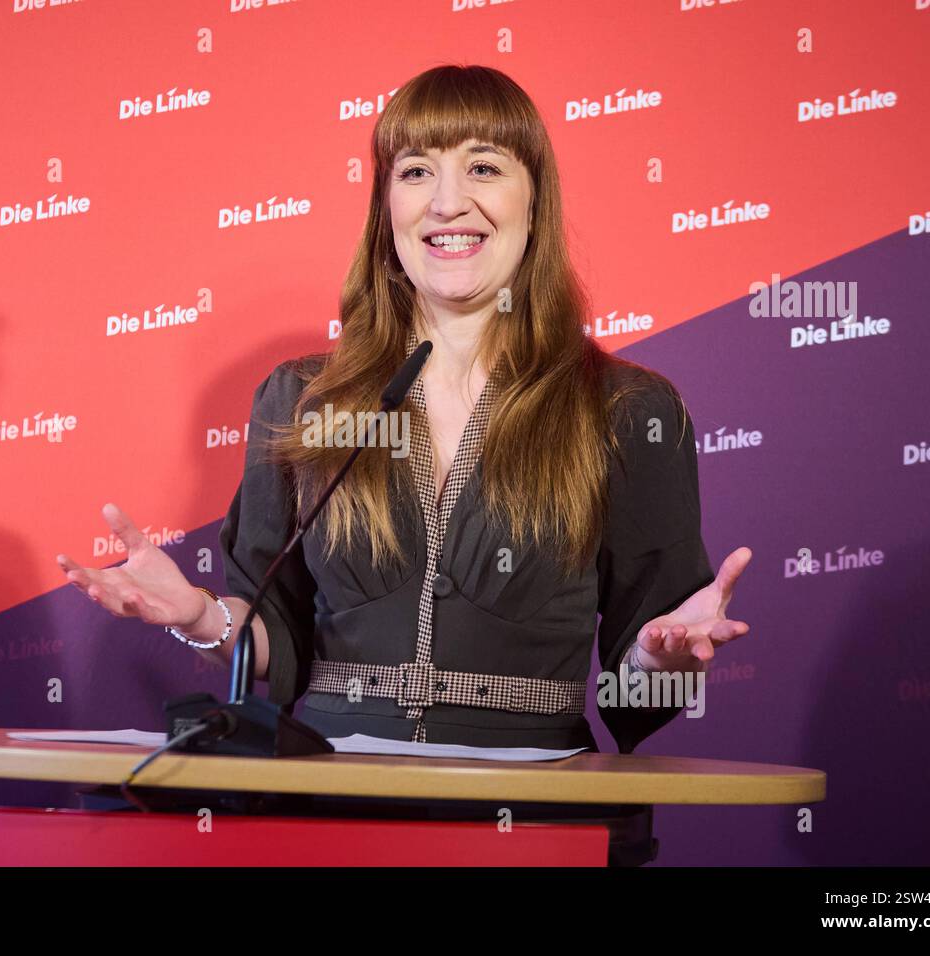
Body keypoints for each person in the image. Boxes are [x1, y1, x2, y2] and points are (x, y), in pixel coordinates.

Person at [57, 64, 751, 753]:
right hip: (333, 806)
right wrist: (199, 616)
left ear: (535, 201)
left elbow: (635, 695)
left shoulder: (628, 410)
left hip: (537, 816)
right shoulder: (300, 399)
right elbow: (275, 636)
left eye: (484, 168)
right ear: (386, 208)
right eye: (416, 172)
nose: (447, 203)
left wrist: (661, 665)